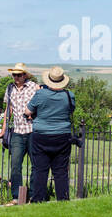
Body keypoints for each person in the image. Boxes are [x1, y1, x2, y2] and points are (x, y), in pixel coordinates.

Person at [26, 65, 77, 202]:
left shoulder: (40, 94)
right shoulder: (69, 95)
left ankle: (38, 199)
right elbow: (70, 110)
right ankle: (63, 198)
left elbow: (28, 111)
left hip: (41, 135)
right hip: (63, 135)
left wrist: (38, 92)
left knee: (40, 170)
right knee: (60, 171)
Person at [0, 62, 39, 204]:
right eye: (14, 74)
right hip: (17, 132)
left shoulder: (34, 87)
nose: (16, 77)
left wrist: (35, 113)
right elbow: (8, 110)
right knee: (15, 165)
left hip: (33, 131)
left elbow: (42, 104)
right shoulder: (9, 88)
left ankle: (33, 195)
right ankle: (16, 196)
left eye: (19, 75)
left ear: (25, 75)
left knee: (36, 165)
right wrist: (3, 130)